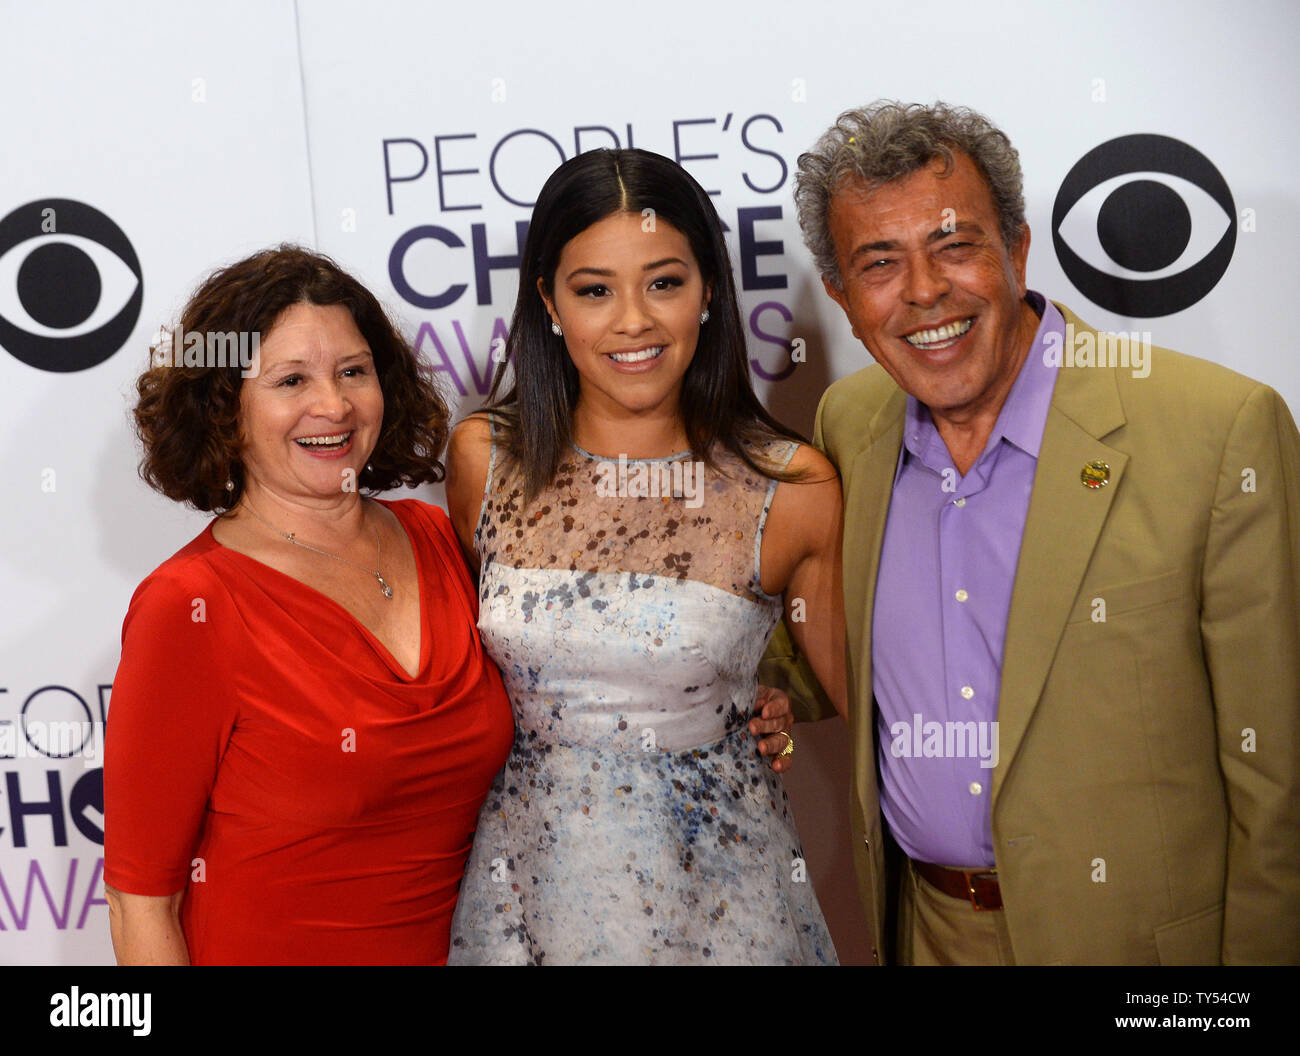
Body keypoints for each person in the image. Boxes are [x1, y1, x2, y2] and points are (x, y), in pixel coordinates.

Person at [763, 100, 1300, 965]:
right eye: (880, 263)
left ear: (1015, 248)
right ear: (841, 297)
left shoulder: (1218, 430)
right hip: (929, 933)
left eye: (955, 245)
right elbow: (845, 641)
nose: (926, 291)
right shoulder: (847, 426)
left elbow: (1281, 780)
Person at [443, 148, 846, 965]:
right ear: (549, 304)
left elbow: (861, 698)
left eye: (664, 282)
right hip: (525, 898)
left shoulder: (789, 485)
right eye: (595, 290)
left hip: (727, 900)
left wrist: (777, 694)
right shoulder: (485, 458)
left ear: (708, 294)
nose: (634, 321)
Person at [104, 246, 515, 965]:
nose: (334, 406)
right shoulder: (191, 605)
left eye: (353, 372)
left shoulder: (440, 541)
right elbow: (142, 904)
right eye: (291, 380)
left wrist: (747, 708)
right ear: (225, 410)